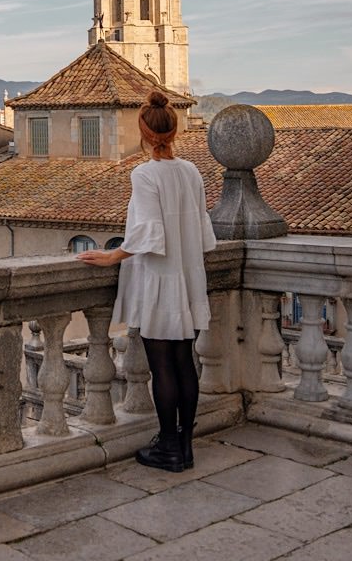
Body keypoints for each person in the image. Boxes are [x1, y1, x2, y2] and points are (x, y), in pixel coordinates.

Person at [78, 90, 216, 472]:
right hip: (188, 278)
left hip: (160, 279)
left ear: (143, 131)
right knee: (184, 362)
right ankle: (184, 446)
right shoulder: (191, 171)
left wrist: (111, 255)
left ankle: (169, 446)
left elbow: (149, 233)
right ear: (173, 131)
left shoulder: (144, 173)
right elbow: (204, 234)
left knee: (163, 367)